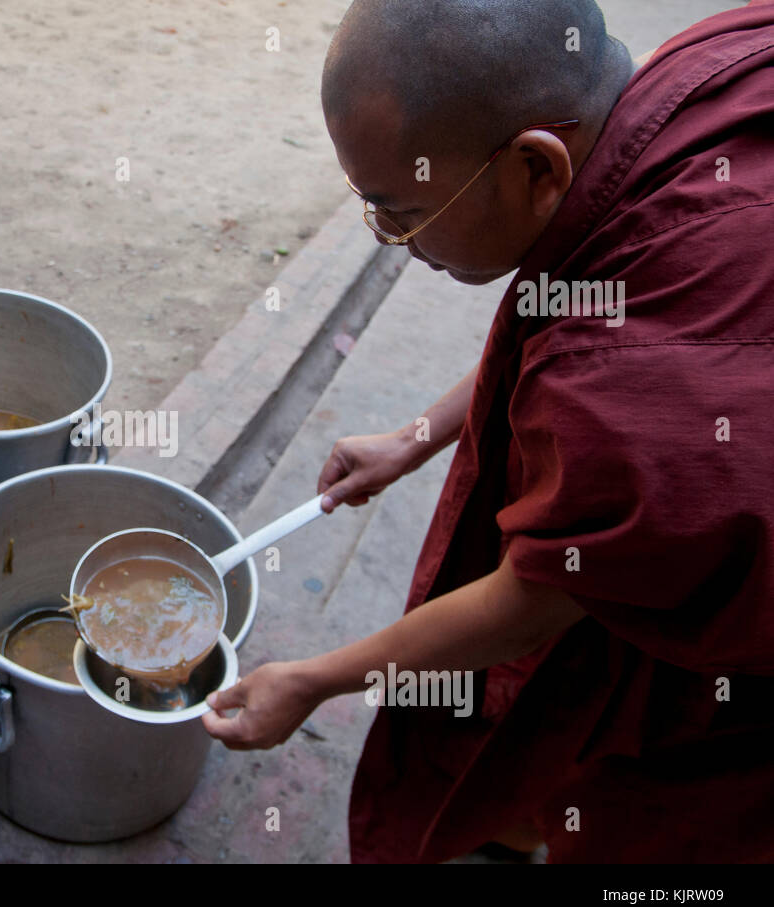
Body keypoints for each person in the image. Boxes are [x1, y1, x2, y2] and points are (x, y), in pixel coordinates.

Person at [202, 0, 774, 862]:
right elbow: (592, 298)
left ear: (536, 169)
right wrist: (417, 436)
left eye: (400, 214)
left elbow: (532, 600)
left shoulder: (635, 398)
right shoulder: (709, 64)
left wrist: (314, 681)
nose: (392, 239)